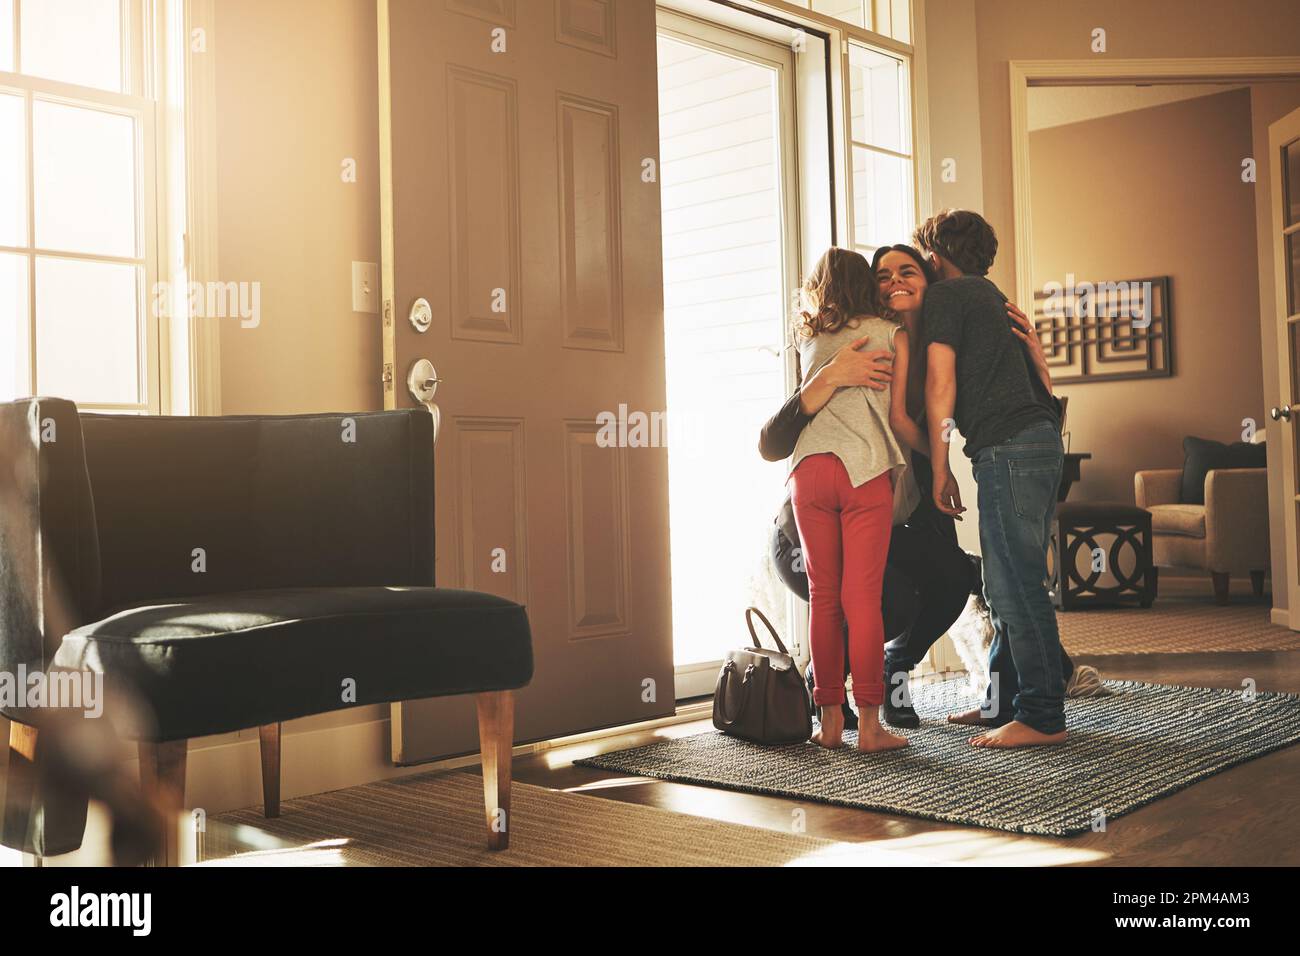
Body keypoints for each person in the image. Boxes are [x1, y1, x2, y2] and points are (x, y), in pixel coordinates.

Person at [761, 243, 1075, 733]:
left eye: (908, 272)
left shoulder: (940, 353)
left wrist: (1036, 363)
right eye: (882, 276)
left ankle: (896, 674)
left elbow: (1010, 405)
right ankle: (828, 687)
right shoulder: (846, 344)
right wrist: (828, 379)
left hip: (885, 510)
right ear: (871, 288)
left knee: (957, 574)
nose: (894, 282)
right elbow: (773, 440)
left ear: (930, 285)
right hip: (806, 523)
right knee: (881, 599)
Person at [917, 208, 1069, 749]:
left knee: (1015, 583)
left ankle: (1044, 715)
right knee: (1005, 579)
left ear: (935, 258)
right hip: (1040, 440)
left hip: (1009, 448)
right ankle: (1003, 703)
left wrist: (940, 467)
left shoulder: (947, 297)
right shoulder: (994, 298)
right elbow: (1035, 379)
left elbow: (941, 384)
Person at [786, 248, 915, 752]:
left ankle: (830, 723)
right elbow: (899, 418)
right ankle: (871, 726)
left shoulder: (810, 339)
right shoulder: (892, 335)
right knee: (862, 598)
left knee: (824, 597)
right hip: (864, 469)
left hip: (809, 469)